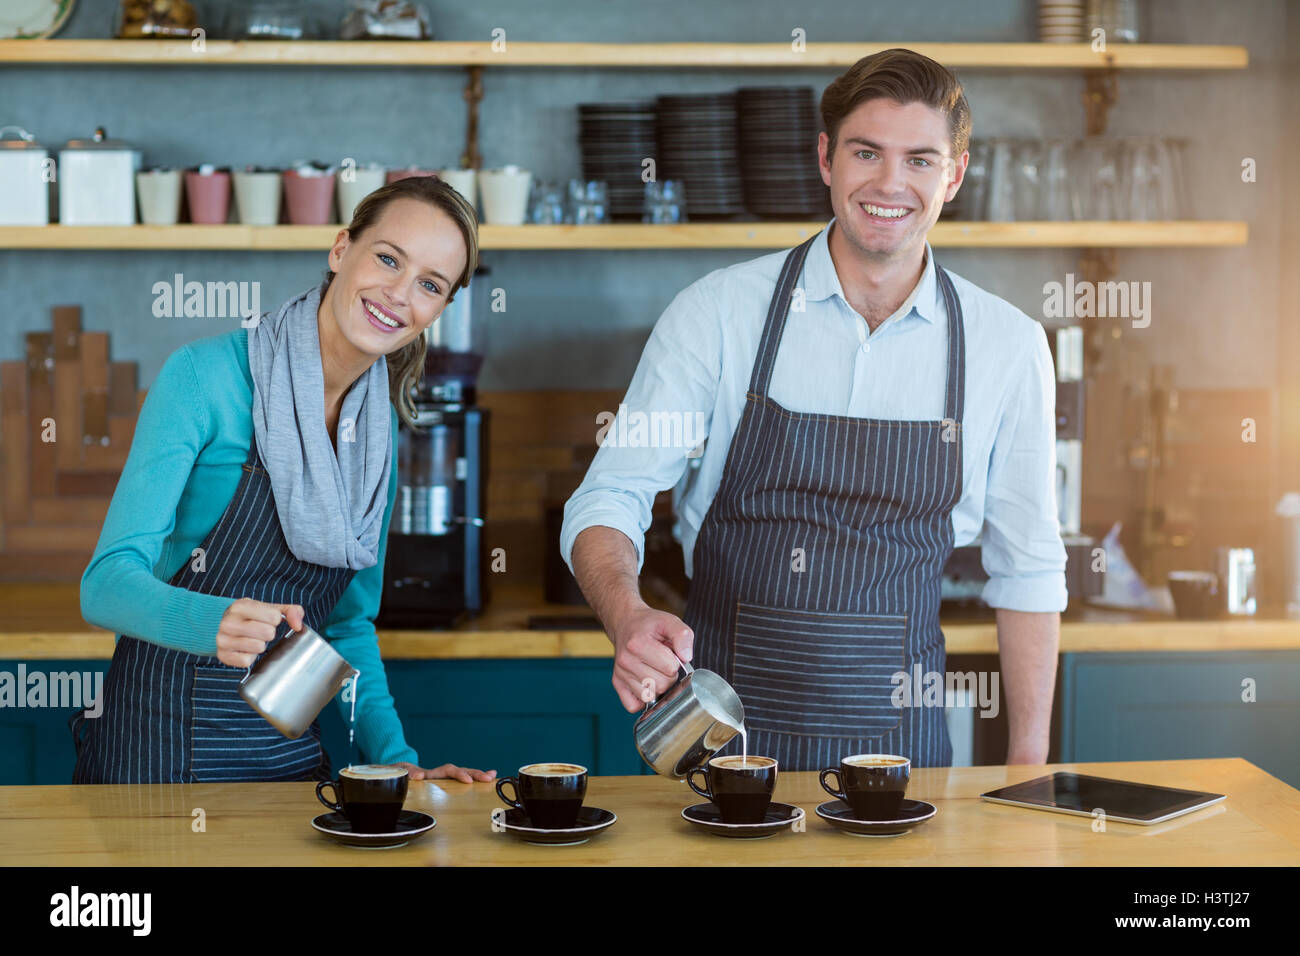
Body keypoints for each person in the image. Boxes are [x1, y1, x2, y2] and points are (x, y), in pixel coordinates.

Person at [563, 48, 1066, 771]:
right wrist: (627, 613)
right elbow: (610, 495)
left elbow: (1029, 569)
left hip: (903, 758)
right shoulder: (717, 314)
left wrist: (1028, 768)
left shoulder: (1008, 346)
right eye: (868, 152)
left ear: (953, 175)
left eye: (920, 160)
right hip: (721, 738)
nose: (891, 183)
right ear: (827, 158)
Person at [73, 176, 496, 785]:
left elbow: (347, 625)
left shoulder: (379, 434)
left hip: (289, 771)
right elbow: (104, 585)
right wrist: (209, 621)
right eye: (387, 258)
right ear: (340, 249)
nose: (399, 294)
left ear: (439, 308)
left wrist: (398, 763)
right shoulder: (204, 378)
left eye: (429, 284)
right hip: (154, 756)